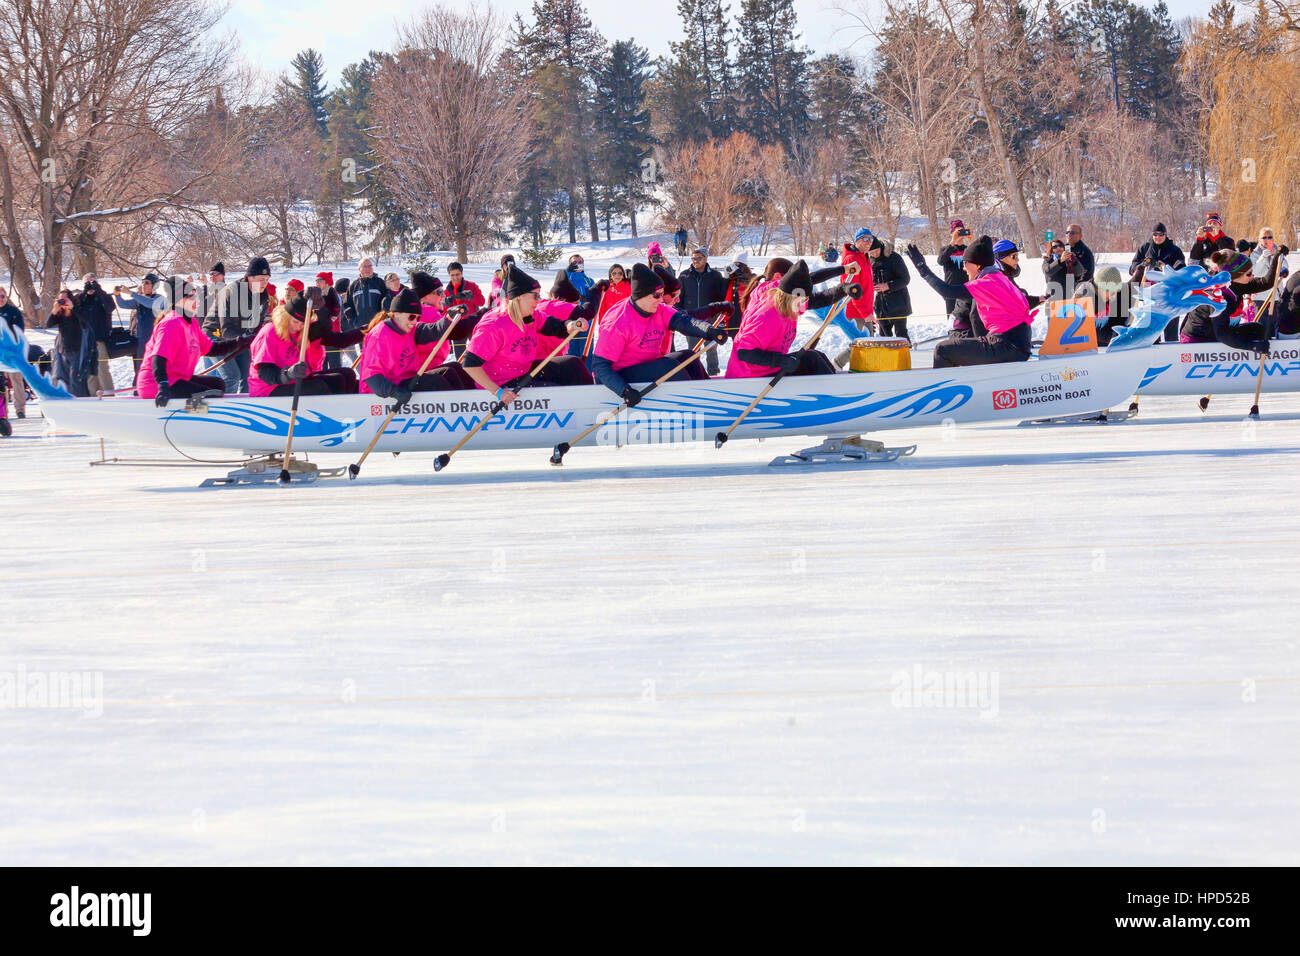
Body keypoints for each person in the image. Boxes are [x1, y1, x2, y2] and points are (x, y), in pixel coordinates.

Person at [589, 263, 731, 404]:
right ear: (641, 295)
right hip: (620, 375)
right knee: (669, 367)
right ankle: (694, 405)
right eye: (657, 295)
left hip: (647, 365)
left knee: (688, 356)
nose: (661, 299)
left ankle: (711, 400)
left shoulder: (659, 309)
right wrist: (624, 391)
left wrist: (709, 331)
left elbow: (685, 322)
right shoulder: (618, 322)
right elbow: (600, 366)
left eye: (662, 294)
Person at [461, 264, 592, 404]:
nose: (539, 301)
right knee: (553, 392)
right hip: (501, 385)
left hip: (523, 372)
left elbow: (555, 327)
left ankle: (591, 404)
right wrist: (498, 392)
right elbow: (469, 364)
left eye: (539, 295)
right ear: (518, 297)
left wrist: (571, 325)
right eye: (535, 296)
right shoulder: (494, 325)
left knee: (572, 364)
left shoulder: (531, 315)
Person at [905, 236, 1037, 368]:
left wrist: (922, 268)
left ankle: (947, 388)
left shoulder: (986, 282)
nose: (963, 268)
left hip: (1008, 346)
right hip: (1014, 344)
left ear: (978, 265)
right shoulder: (999, 277)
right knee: (958, 349)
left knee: (942, 350)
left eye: (965, 263)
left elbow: (947, 291)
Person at [726, 260, 862, 380]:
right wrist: (780, 360)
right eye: (803, 300)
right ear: (792, 296)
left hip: (765, 370)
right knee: (812, 360)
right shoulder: (767, 317)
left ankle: (837, 390)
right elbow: (744, 352)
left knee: (815, 356)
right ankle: (834, 398)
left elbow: (811, 282)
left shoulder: (785, 294)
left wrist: (843, 288)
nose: (805, 303)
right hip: (749, 376)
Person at [137, 277, 252, 405]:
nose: (196, 300)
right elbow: (158, 358)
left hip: (177, 379)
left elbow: (212, 349)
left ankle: (195, 416)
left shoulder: (191, 323)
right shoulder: (172, 323)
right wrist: (163, 386)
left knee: (217, 385)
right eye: (191, 296)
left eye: (195, 295)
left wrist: (241, 341)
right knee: (210, 395)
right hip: (156, 385)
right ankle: (195, 420)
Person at [357, 287, 477, 401]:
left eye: (417, 318)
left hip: (407, 380)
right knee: (435, 382)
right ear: (396, 313)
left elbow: (433, 330)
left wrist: (449, 317)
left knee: (451, 370)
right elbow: (371, 376)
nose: (414, 322)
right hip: (384, 391)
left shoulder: (410, 329)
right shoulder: (379, 336)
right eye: (411, 317)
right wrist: (394, 391)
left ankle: (473, 401)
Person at [249, 290, 364, 397]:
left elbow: (334, 336)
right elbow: (264, 371)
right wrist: (288, 374)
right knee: (320, 388)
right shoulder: (270, 332)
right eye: (295, 322)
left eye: (303, 323)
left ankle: (346, 411)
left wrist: (320, 306)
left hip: (297, 380)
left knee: (346, 375)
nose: (299, 326)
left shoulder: (303, 331)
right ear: (285, 317)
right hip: (270, 387)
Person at [1179, 246, 1286, 350]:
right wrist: (1252, 346)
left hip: (1220, 333)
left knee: (1258, 329)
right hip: (1199, 341)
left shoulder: (1236, 283)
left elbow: (1265, 283)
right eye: (1248, 274)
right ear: (1235, 275)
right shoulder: (1218, 296)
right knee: (1252, 335)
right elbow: (1222, 334)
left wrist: (1276, 257)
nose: (1252, 276)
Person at [213, 257, 272, 393]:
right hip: (218, 338)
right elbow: (227, 330)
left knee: (247, 376)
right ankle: (226, 410)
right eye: (261, 279)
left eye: (267, 279)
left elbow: (258, 322)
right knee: (232, 376)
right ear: (250, 278)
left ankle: (246, 407)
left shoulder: (263, 295)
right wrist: (247, 338)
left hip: (242, 339)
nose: (264, 283)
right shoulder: (233, 292)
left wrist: (257, 338)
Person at [532, 272, 598, 379]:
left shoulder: (544, 304)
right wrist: (596, 291)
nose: (576, 308)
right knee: (575, 365)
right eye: (575, 305)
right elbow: (588, 312)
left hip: (544, 361)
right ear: (564, 301)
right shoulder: (558, 306)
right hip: (540, 363)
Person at [678, 248, 728, 373]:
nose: (695, 261)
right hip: (691, 319)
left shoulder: (715, 275)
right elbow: (679, 297)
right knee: (693, 349)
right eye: (693, 258)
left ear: (705, 259)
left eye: (698, 258)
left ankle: (713, 372)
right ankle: (695, 373)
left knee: (711, 348)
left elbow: (721, 296)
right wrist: (679, 313)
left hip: (710, 319)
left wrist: (720, 314)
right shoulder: (684, 275)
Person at [45, 290, 98, 396]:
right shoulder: (60, 315)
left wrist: (72, 308)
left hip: (79, 350)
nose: (63, 302)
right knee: (64, 379)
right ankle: (68, 403)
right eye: (61, 299)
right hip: (64, 351)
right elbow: (48, 324)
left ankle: (80, 403)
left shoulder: (78, 311)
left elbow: (86, 320)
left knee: (76, 379)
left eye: (65, 299)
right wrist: (55, 310)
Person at [73, 274, 118, 393]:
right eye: (87, 283)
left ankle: (109, 395)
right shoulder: (80, 299)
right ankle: (93, 396)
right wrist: (84, 292)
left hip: (100, 340)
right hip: (85, 341)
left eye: (92, 282)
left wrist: (99, 291)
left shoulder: (104, 297)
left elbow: (110, 308)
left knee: (102, 369)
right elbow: (75, 310)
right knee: (89, 371)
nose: (90, 286)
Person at [113, 273, 165, 373]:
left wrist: (132, 293)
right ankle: (138, 387)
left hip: (154, 341)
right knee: (140, 369)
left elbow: (150, 303)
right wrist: (117, 295)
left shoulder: (160, 299)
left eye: (146, 283)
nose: (143, 285)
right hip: (139, 340)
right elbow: (123, 304)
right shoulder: (140, 299)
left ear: (154, 285)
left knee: (152, 369)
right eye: (142, 282)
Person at [870, 238, 912, 340]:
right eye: (872, 252)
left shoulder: (893, 257)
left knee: (901, 334)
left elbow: (905, 279)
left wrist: (888, 286)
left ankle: (905, 354)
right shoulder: (870, 260)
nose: (875, 254)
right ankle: (887, 356)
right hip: (881, 304)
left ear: (881, 247)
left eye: (876, 251)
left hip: (898, 303)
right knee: (884, 336)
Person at [839, 228, 877, 334]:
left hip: (864, 312)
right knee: (862, 348)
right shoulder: (852, 260)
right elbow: (853, 290)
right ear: (857, 240)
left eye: (871, 239)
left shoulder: (864, 258)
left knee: (865, 347)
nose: (869, 242)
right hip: (856, 314)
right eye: (865, 238)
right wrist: (865, 313)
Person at [1, 288, 28, 417]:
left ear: (6, 297)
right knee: (1, 383)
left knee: (16, 381)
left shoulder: (13, 311)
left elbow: (20, 330)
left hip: (12, 351)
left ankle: (20, 409)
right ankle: (3, 411)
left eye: (2, 296)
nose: (0, 299)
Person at [1249, 227, 1289, 316]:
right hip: (1260, 295)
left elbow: (1285, 268)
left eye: (1270, 237)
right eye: (1264, 237)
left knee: (1273, 326)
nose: (1267, 239)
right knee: (1262, 325)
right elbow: (1255, 271)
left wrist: (1276, 255)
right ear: (1259, 240)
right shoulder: (1255, 254)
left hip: (1275, 294)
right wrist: (1263, 258)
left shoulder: (1278, 252)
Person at [1042, 237, 1087, 302]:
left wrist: (1075, 262)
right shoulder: (1048, 260)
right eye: (1055, 247)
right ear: (1051, 250)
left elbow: (1080, 272)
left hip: (1070, 296)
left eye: (1060, 246)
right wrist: (1060, 261)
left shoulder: (1069, 259)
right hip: (1054, 297)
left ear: (1064, 248)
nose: (1058, 248)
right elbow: (1047, 271)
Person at [348, 258, 388, 332]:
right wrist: (353, 322)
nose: (368, 269)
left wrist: (383, 319)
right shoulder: (353, 286)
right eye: (365, 266)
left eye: (370, 266)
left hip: (378, 325)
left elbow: (387, 302)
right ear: (359, 269)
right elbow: (348, 305)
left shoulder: (380, 283)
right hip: (360, 327)